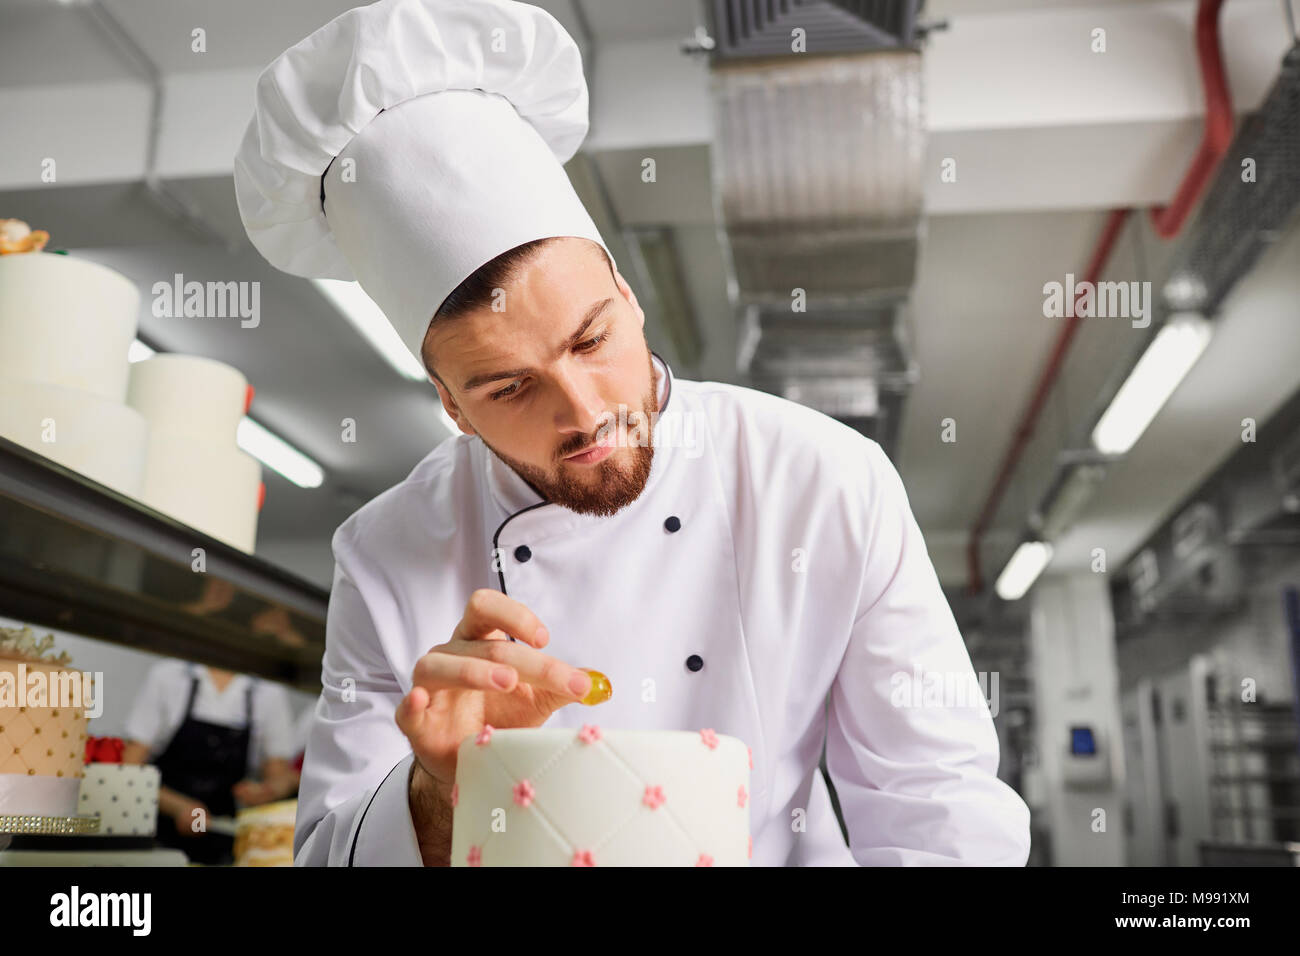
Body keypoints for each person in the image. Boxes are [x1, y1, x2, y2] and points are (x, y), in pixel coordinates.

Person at [233, 0, 1032, 866]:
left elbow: (935, 804)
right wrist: (435, 791)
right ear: (452, 407)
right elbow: (324, 854)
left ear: (628, 295)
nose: (583, 413)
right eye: (510, 388)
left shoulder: (825, 479)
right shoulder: (384, 554)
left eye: (591, 340)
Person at [121, 659, 297, 864]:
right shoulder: (170, 675)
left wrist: (266, 791)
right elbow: (129, 769)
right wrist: (178, 807)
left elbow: (278, 775)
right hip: (156, 836)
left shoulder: (269, 690)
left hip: (223, 844)